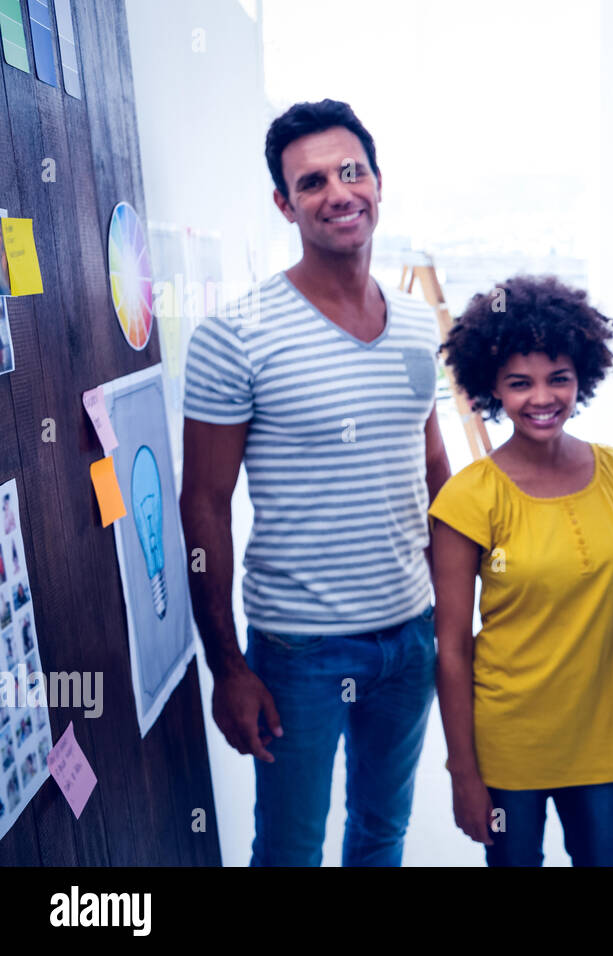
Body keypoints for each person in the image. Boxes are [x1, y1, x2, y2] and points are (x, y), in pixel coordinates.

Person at [180, 99, 450, 866]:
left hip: (409, 639)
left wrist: (452, 614)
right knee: (291, 850)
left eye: (352, 170)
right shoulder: (236, 334)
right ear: (285, 203)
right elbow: (203, 504)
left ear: (377, 181)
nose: (339, 191)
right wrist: (227, 665)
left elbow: (432, 470)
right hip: (297, 652)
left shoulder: (413, 324)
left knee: (381, 834)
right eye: (312, 181)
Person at [430, 274, 613, 867]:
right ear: (492, 389)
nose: (542, 398)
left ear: (582, 378)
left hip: (600, 744)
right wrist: (463, 772)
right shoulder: (469, 498)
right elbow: (450, 648)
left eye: (558, 379)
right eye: (519, 384)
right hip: (507, 749)